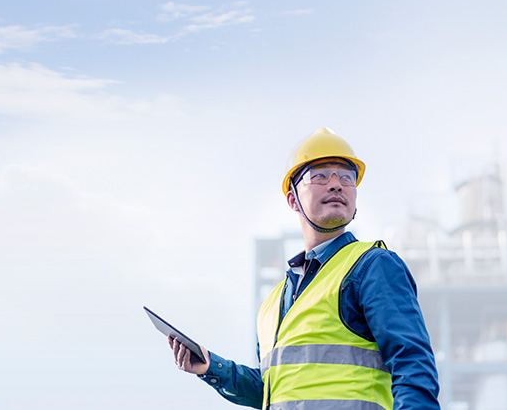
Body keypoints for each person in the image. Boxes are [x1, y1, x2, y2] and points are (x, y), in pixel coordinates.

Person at [169, 128, 441, 409]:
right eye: (320, 176)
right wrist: (212, 367)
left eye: (346, 177)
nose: (336, 184)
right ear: (292, 199)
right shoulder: (272, 304)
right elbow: (272, 391)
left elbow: (413, 364)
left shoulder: (372, 266)